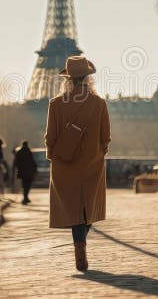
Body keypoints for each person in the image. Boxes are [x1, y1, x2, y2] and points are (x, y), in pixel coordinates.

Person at [45, 56, 111, 272]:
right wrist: (98, 153)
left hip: (65, 165)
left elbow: (50, 137)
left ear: (68, 80)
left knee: (74, 209)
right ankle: (80, 244)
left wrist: (56, 155)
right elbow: (105, 136)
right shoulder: (99, 104)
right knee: (88, 208)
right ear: (88, 78)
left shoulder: (55, 104)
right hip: (92, 163)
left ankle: (79, 247)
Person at [14, 140, 37, 205]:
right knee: (28, 185)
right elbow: (33, 162)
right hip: (29, 172)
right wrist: (35, 170)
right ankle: (26, 197)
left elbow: (16, 162)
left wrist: (18, 169)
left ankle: (25, 197)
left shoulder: (19, 152)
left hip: (22, 172)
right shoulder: (29, 152)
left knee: (24, 185)